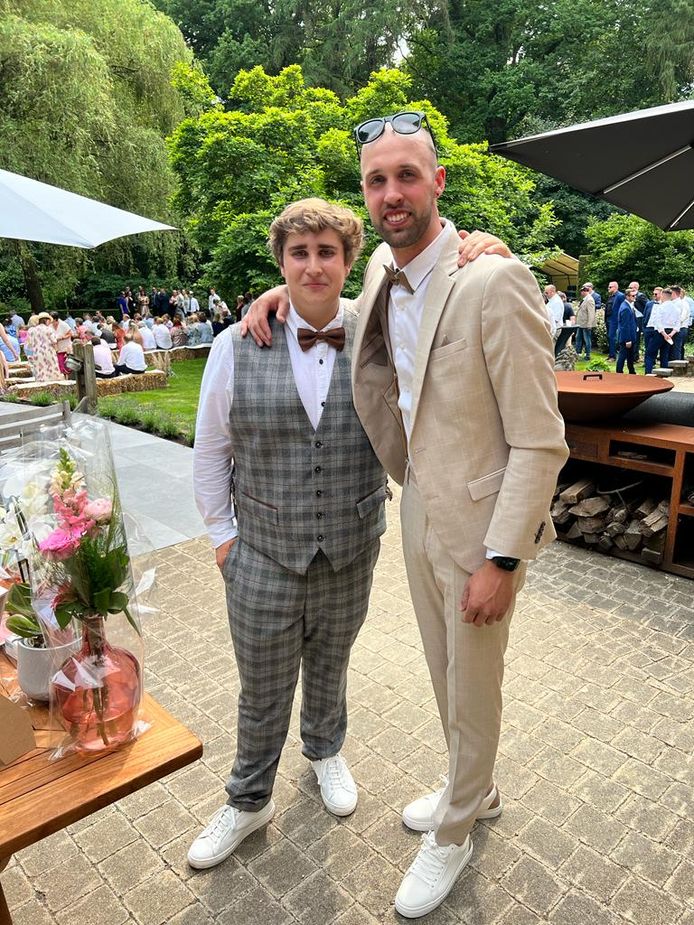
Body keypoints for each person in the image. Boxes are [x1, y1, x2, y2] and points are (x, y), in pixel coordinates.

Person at [244, 111, 568, 918]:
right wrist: (277, 295)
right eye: (377, 179)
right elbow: (347, 321)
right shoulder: (383, 272)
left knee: (475, 685)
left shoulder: (495, 279)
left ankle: (454, 832)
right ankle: (477, 787)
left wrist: (505, 559)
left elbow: (541, 440)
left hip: (483, 529)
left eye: (407, 175)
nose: (392, 192)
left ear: (438, 182)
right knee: (443, 675)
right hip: (417, 500)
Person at [188, 198, 390, 871]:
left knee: (331, 663)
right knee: (263, 683)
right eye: (298, 254)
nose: (312, 265)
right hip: (262, 554)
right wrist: (223, 536)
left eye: (326, 251)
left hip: (352, 545)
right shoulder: (233, 344)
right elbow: (211, 449)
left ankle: (325, 750)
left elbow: (444, 299)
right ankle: (249, 800)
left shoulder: (381, 331)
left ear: (347, 260)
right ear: (281, 262)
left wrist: (489, 252)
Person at [26, 312, 62, 380]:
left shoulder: (32, 331)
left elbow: (29, 343)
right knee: (51, 371)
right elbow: (54, 341)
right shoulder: (49, 329)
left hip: (37, 353)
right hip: (49, 352)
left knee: (40, 371)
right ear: (46, 320)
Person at [616, 287, 638, 374]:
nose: (634, 297)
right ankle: (619, 372)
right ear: (627, 296)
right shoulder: (625, 308)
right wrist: (628, 340)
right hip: (626, 337)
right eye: (632, 296)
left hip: (630, 335)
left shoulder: (628, 306)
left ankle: (632, 371)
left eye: (635, 295)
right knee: (623, 355)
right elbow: (625, 326)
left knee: (630, 356)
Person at [575, 284, 596, 359]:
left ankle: (588, 355)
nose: (581, 293)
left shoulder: (589, 300)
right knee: (578, 338)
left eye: (582, 291)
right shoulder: (585, 299)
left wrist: (589, 324)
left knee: (587, 340)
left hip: (586, 324)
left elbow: (591, 313)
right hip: (581, 323)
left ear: (585, 291)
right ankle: (578, 353)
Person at [605, 281, 624, 359]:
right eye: (608, 287)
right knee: (609, 337)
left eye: (610, 287)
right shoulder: (611, 296)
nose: (608, 288)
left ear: (615, 287)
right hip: (609, 319)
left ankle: (613, 356)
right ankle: (611, 355)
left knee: (612, 337)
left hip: (615, 320)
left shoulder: (620, 296)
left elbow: (623, 308)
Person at [51, 312, 73, 376]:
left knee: (66, 364)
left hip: (65, 347)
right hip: (56, 348)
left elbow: (70, 334)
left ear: (55, 319)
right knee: (59, 364)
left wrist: (62, 337)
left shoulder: (63, 324)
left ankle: (67, 376)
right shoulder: (50, 326)